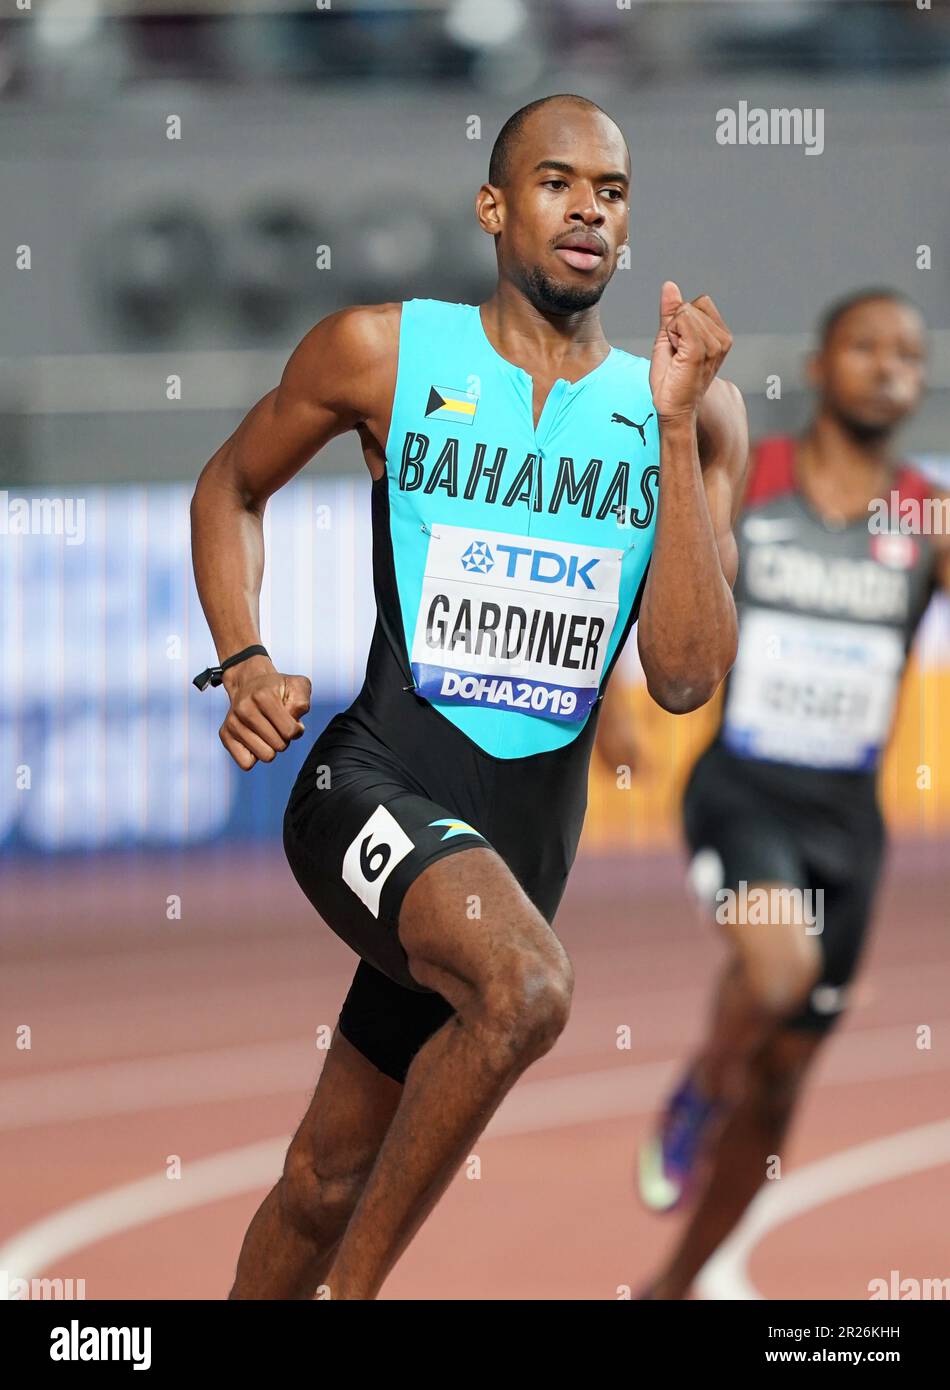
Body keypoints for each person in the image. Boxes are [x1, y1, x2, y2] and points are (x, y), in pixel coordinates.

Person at [190, 92, 746, 1301]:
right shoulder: (382, 353)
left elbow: (684, 674)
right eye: (556, 183)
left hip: (513, 853)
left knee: (324, 1179)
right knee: (526, 987)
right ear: (493, 208)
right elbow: (231, 485)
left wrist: (667, 428)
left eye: (611, 191)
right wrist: (243, 658)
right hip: (369, 783)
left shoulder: (693, 411)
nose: (588, 209)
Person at [598, 288, 949, 1300]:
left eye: (906, 354)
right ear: (818, 366)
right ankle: (705, 1081)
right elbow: (650, 564)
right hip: (743, 789)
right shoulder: (757, 479)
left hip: (849, 827)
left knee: (784, 1083)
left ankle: (674, 1284)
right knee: (777, 963)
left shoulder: (923, 514)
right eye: (865, 347)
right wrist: (616, 696)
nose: (888, 366)